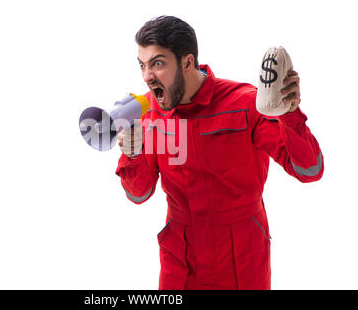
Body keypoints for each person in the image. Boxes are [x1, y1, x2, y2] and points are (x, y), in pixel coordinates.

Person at [115, 16, 324, 290]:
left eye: (158, 63)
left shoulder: (245, 103)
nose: (146, 76)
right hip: (181, 260)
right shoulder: (151, 112)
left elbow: (308, 170)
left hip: (241, 259)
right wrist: (133, 154)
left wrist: (288, 113)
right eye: (142, 65)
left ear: (187, 62)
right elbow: (138, 194)